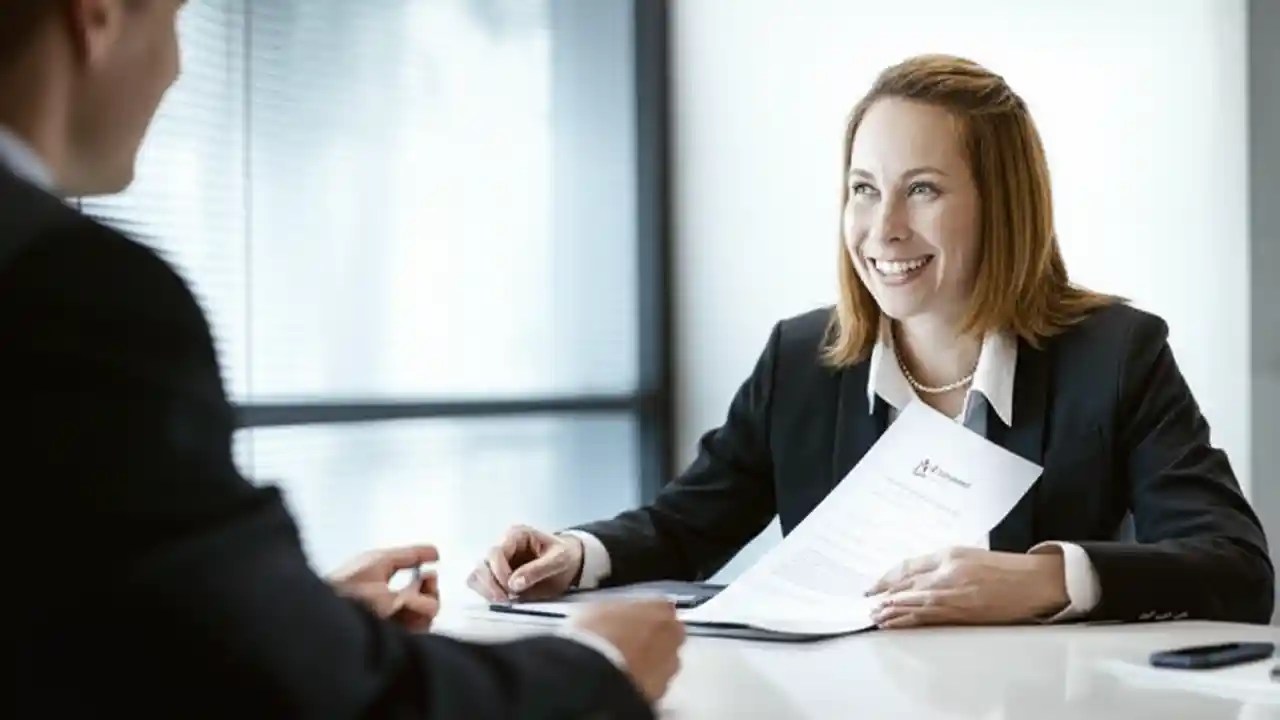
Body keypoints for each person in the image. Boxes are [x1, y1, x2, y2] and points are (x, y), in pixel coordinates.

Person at [2, 0, 683, 716]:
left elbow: (59, 621)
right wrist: (597, 664)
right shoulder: (68, 289)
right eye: (173, 19)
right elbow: (348, 703)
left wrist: (291, 616)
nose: (176, 67)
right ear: (99, 16)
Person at [471, 53, 1275, 627]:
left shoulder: (1115, 355)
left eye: (922, 190)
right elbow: (686, 526)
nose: (883, 228)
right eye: (864, 190)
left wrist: (1040, 580)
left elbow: (1237, 568)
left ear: (1004, 205)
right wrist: (574, 554)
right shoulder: (801, 359)